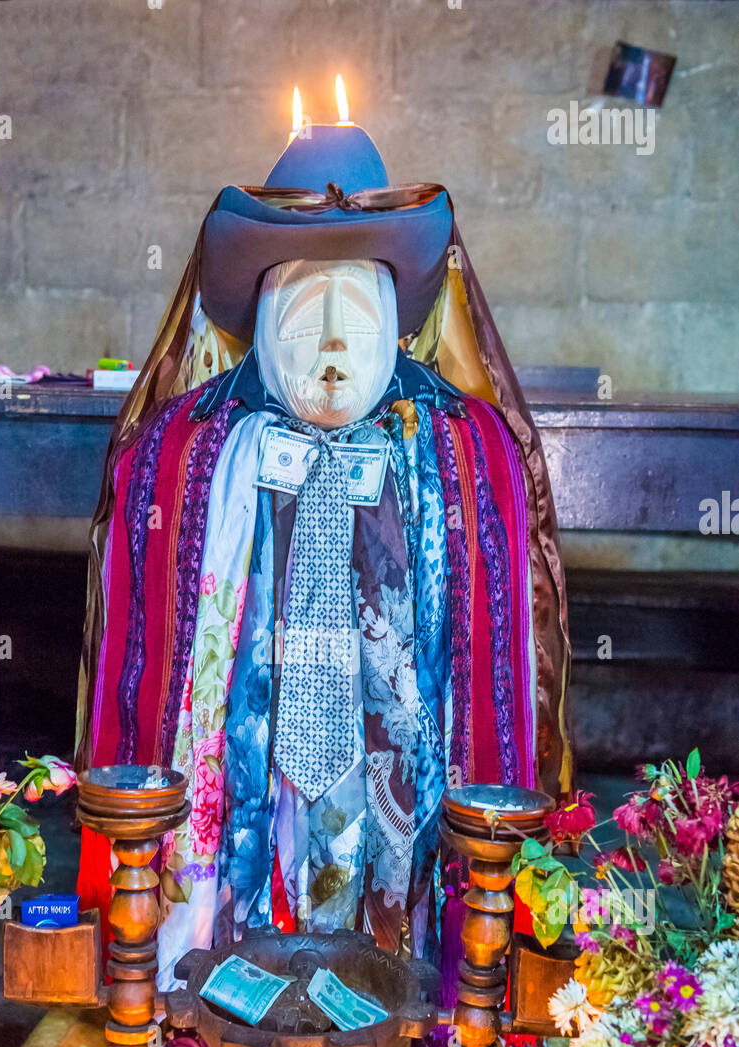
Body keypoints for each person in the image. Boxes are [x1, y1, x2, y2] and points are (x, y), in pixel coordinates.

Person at [76, 123, 571, 992]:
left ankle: (410, 983)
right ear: (262, 328)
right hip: (234, 787)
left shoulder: (463, 450)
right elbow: (141, 652)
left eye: (359, 318)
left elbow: (495, 661)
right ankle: (210, 981)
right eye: (307, 320)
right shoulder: (183, 452)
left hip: (401, 796)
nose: (336, 347)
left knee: (405, 918)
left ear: (399, 328)